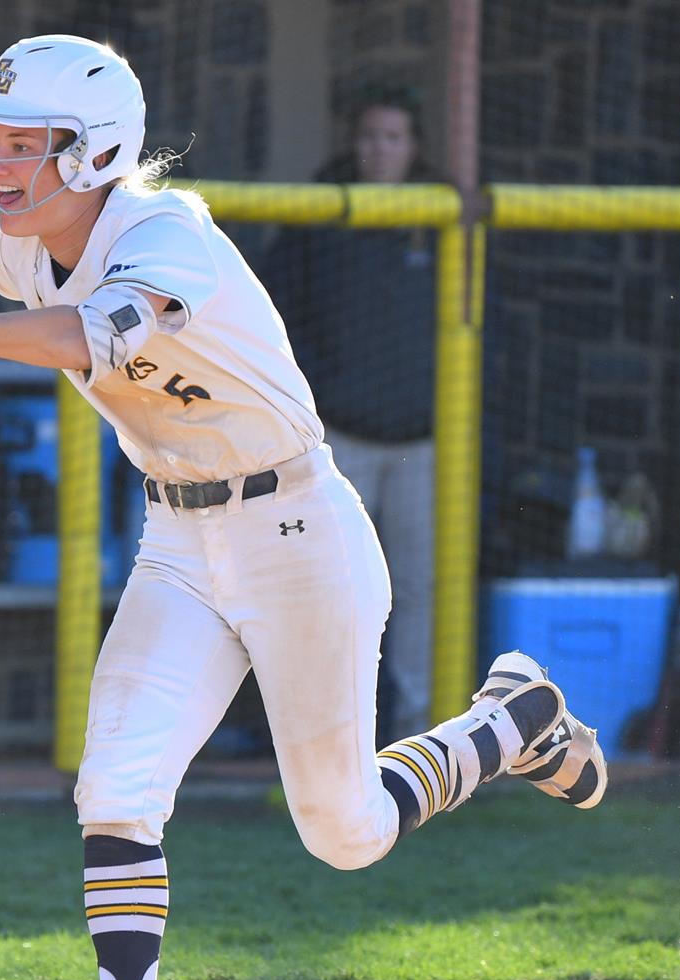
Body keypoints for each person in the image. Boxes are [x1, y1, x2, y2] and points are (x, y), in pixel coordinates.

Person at [0, 35, 607, 980]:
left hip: (297, 533)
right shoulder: (21, 239)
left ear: (92, 154)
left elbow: (88, 333)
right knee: (115, 787)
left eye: (21, 143)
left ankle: (508, 722)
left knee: (343, 832)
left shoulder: (163, 232)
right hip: (180, 543)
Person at [266, 83, 441, 741]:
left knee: (422, 592)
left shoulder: (442, 212)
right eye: (370, 136)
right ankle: (328, 740)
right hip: (340, 439)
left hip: (425, 445)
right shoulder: (319, 216)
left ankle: (423, 743)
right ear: (353, 142)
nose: (380, 150)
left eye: (393, 138)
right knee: (334, 591)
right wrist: (321, 393)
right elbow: (273, 313)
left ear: (413, 146)